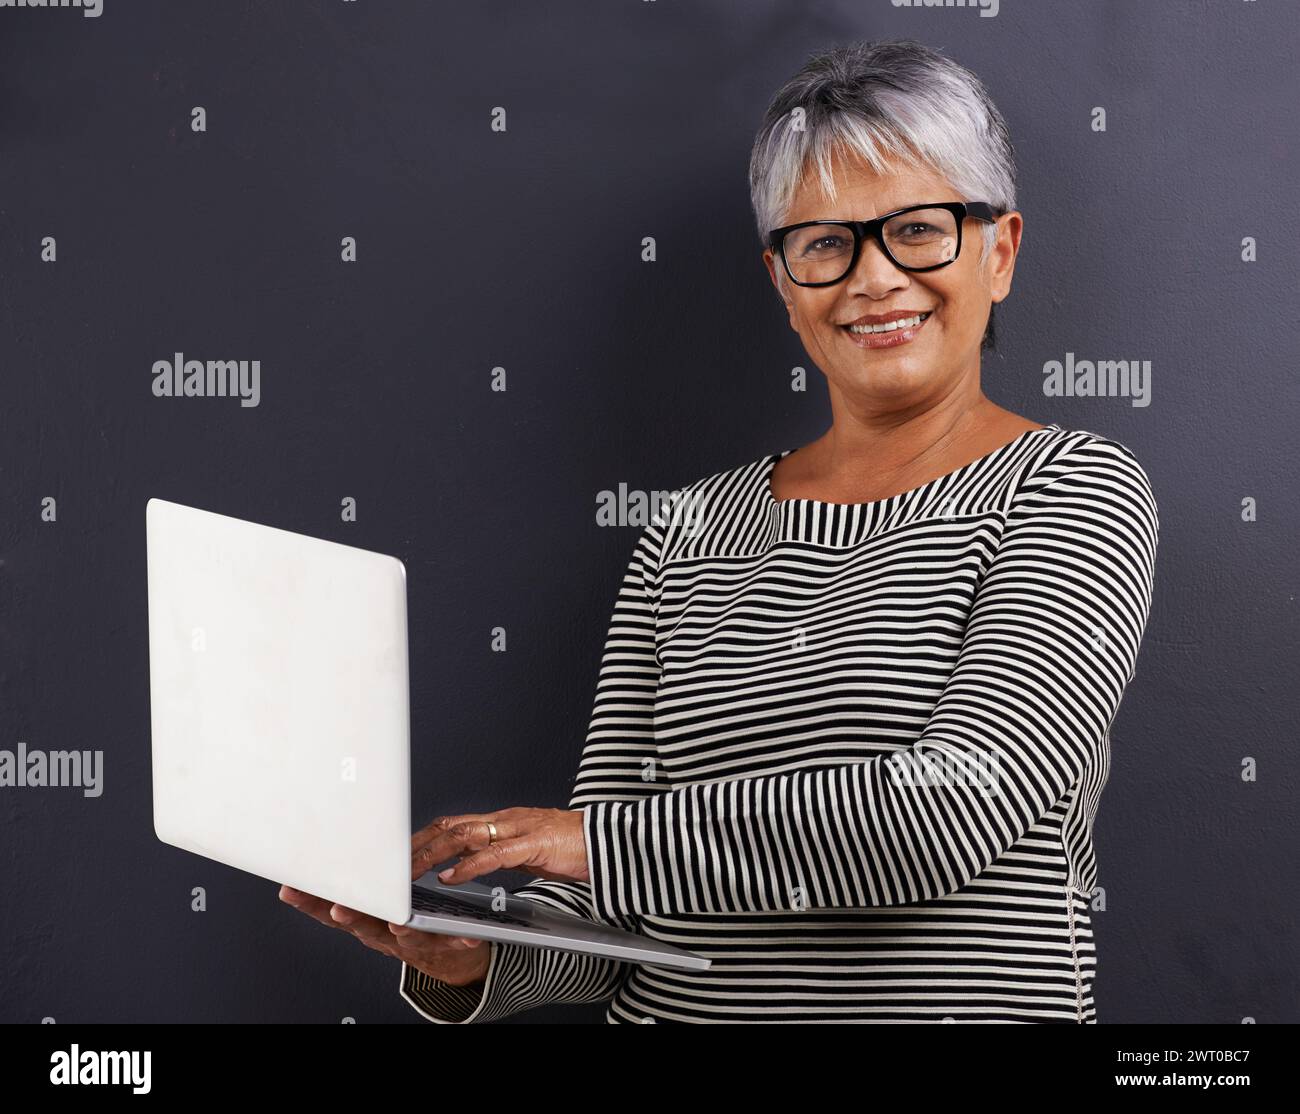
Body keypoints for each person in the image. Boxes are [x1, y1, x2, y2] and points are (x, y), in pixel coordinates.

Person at [281, 37, 1158, 1023]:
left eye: (917, 228)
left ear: (998, 251)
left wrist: (591, 843)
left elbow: (956, 807)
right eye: (824, 243)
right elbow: (606, 910)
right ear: (785, 285)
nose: (873, 278)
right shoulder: (690, 526)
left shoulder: (1071, 488)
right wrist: (474, 956)